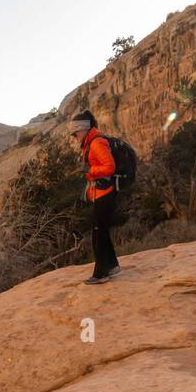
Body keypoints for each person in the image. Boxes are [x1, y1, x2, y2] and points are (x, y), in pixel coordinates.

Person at [71, 111, 121, 285]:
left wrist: (89, 171)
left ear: (84, 130)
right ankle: (113, 265)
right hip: (101, 193)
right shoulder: (91, 142)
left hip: (105, 194)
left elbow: (109, 167)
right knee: (102, 231)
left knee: (98, 234)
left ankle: (101, 274)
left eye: (76, 133)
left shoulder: (97, 142)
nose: (75, 137)